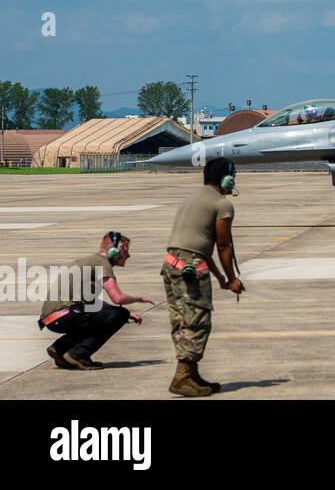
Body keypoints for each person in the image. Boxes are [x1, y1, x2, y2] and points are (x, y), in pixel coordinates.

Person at [161, 157, 245, 397]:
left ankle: (191, 374)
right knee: (197, 321)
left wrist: (220, 278)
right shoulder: (221, 204)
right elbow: (223, 245)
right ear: (227, 178)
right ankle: (182, 376)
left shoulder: (192, 198)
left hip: (171, 265)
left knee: (182, 320)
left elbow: (199, 247)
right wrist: (232, 278)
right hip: (191, 269)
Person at [39, 232, 153, 370]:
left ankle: (59, 349)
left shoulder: (90, 261)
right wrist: (139, 298)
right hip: (65, 314)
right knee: (119, 314)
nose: (128, 256)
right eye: (126, 251)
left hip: (52, 318)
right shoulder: (102, 263)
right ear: (114, 251)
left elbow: (91, 305)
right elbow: (118, 298)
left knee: (99, 317)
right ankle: (78, 355)